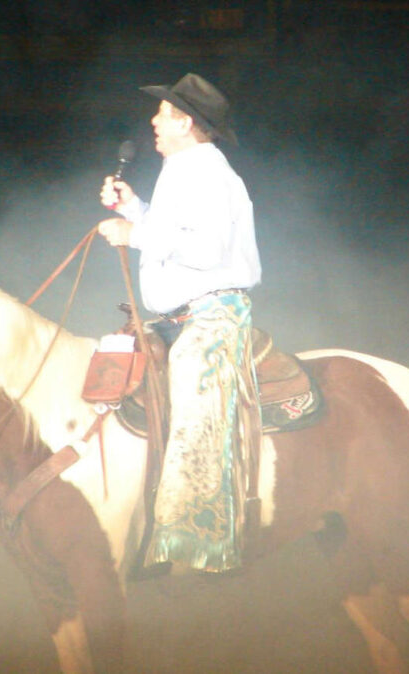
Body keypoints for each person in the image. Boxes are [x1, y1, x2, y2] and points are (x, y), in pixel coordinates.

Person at [97, 73, 261, 573]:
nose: (154, 121)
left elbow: (207, 251)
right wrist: (135, 209)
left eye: (163, 113)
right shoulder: (182, 168)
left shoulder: (210, 173)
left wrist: (133, 233)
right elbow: (173, 233)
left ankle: (196, 540)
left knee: (193, 376)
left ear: (185, 122)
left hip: (212, 316)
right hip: (178, 315)